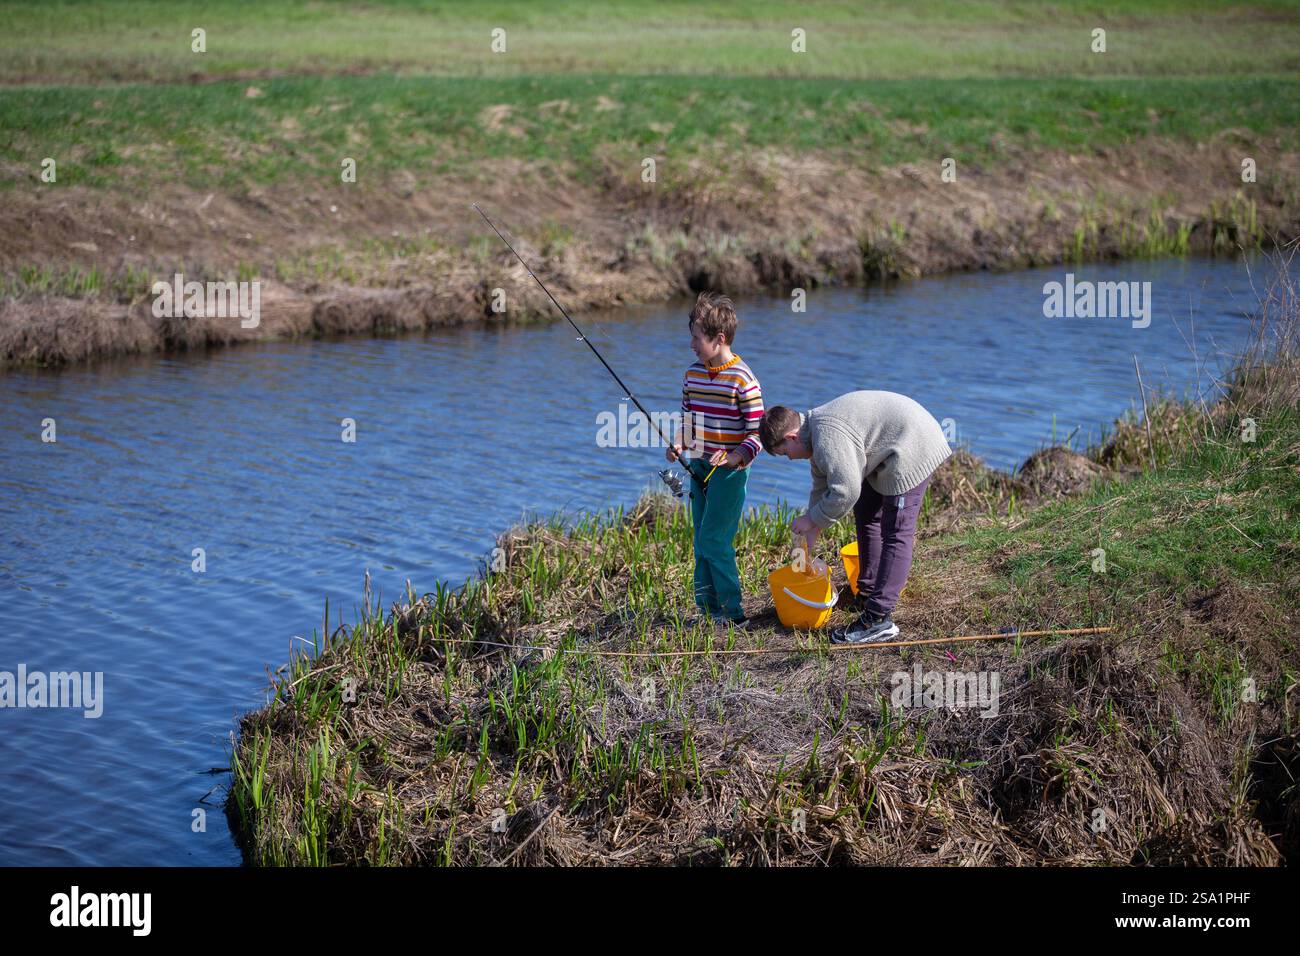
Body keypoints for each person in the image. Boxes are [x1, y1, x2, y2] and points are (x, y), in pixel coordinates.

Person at [758, 391, 951, 643]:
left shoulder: (826, 437)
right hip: (886, 445)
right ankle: (867, 591)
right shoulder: (813, 439)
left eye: (785, 453)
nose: (790, 459)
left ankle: (878, 617)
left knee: (896, 530)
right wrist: (809, 534)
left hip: (913, 443)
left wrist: (813, 518)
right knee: (866, 512)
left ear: (792, 437)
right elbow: (822, 487)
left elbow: (846, 492)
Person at [666, 292, 764, 627]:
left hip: (730, 473)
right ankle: (708, 612)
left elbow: (758, 434)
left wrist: (735, 456)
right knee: (700, 538)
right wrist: (679, 445)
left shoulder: (743, 381)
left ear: (718, 339)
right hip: (698, 466)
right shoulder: (692, 375)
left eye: (696, 338)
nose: (691, 345)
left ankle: (734, 614)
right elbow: (687, 420)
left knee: (715, 539)